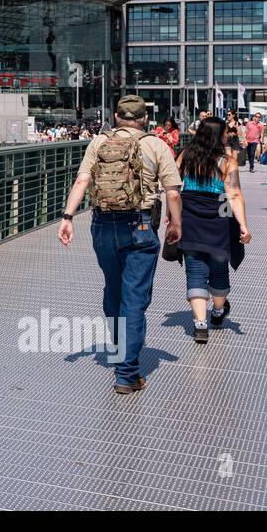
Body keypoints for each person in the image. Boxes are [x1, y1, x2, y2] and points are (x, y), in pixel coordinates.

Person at [58, 94, 183, 395]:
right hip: (139, 226)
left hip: (102, 226)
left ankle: (119, 350)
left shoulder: (98, 143)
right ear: (144, 119)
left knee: (113, 290)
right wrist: (175, 223)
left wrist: (67, 216)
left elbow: (81, 181)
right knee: (135, 297)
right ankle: (126, 374)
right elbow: (173, 192)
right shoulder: (156, 144)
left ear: (116, 117)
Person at [175, 116, 251, 344]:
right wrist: (244, 225)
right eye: (225, 132)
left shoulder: (185, 156)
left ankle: (200, 324)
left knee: (195, 269)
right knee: (219, 267)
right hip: (220, 216)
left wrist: (172, 217)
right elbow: (234, 194)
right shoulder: (227, 162)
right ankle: (218, 311)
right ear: (219, 135)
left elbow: (173, 187)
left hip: (189, 216)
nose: (228, 135)